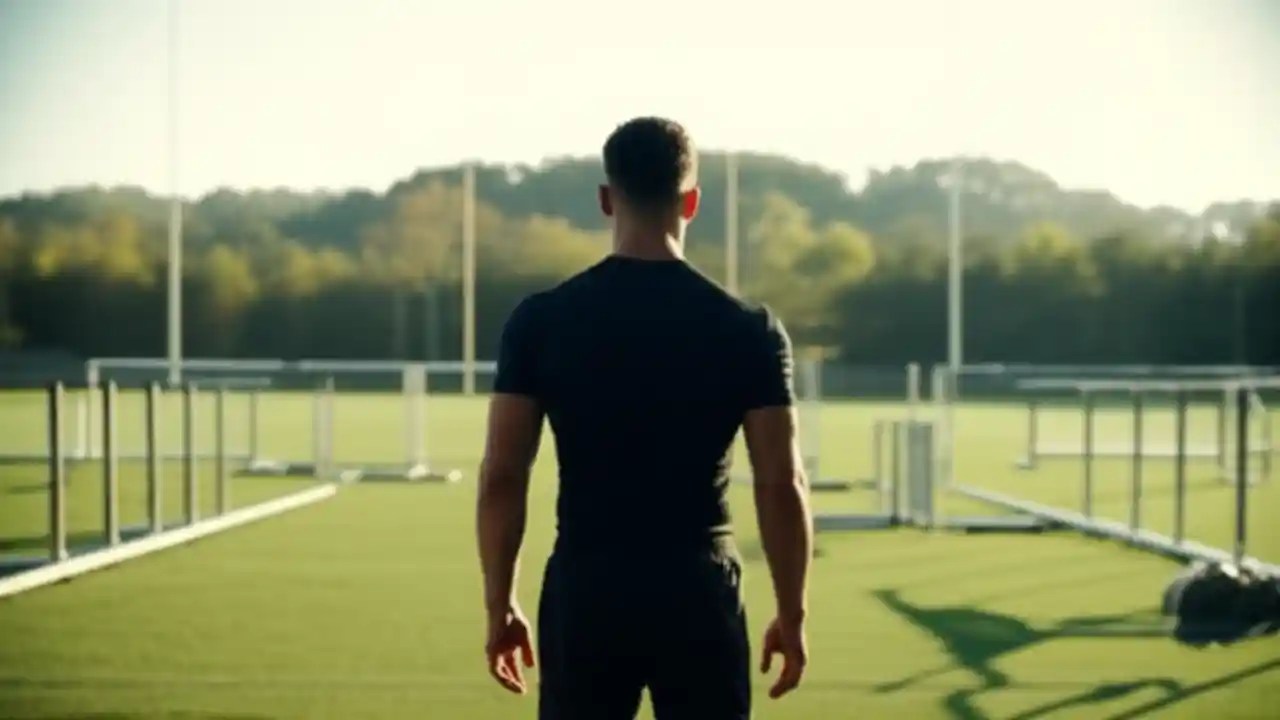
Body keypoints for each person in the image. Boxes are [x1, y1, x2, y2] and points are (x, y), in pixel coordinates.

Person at [475, 116, 813, 719]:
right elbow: (780, 482)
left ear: (607, 199)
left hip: (588, 584)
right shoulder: (748, 330)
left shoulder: (541, 321)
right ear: (692, 201)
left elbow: (503, 473)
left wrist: (499, 603)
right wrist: (791, 613)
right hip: (697, 587)